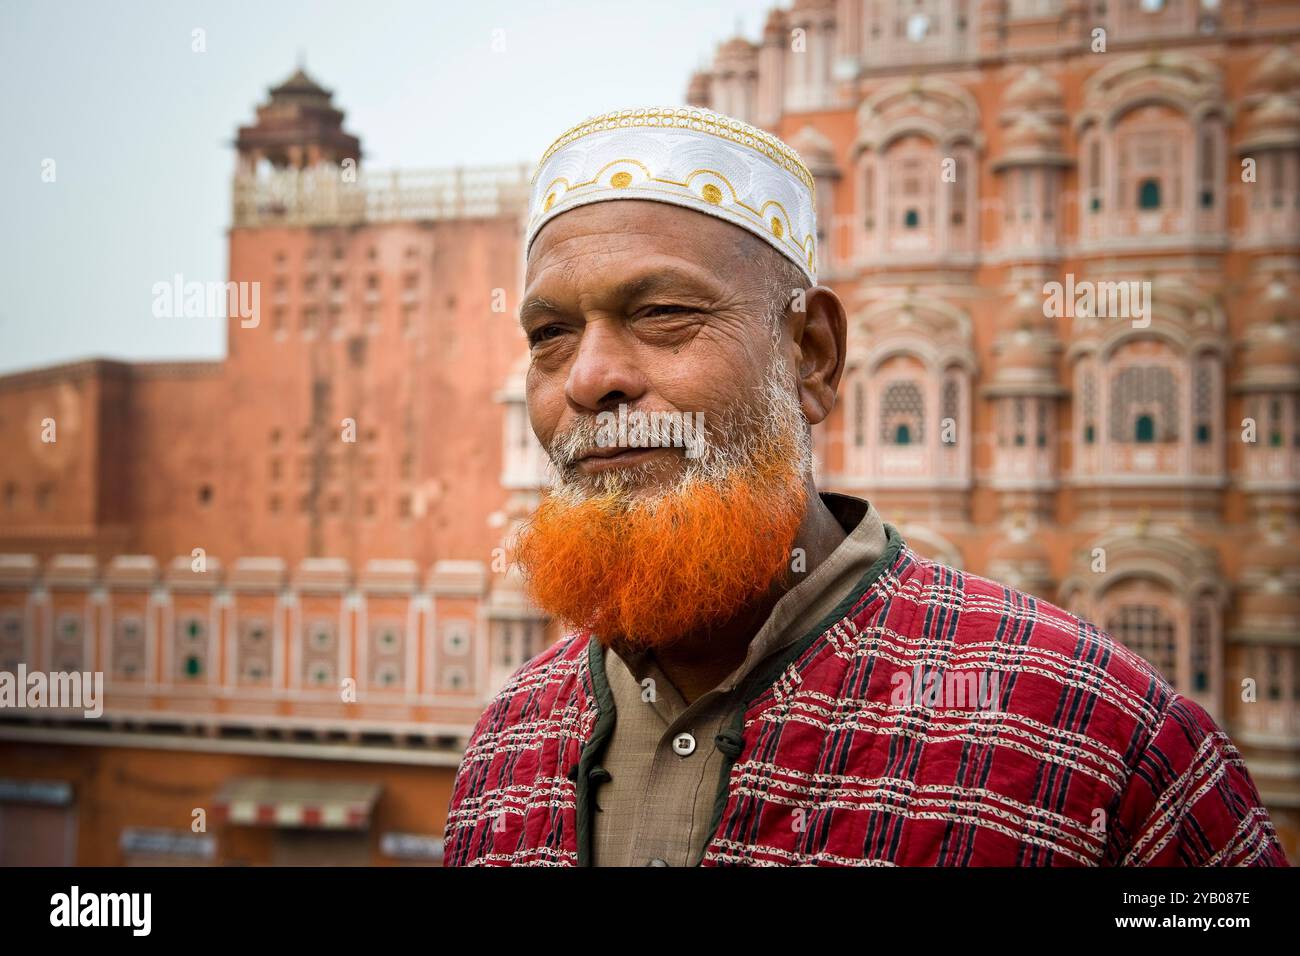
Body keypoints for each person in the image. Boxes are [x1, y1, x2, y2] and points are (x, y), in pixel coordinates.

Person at [443, 106, 1287, 867]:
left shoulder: (1091, 731)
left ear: (812, 356)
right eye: (551, 335)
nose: (591, 377)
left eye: (664, 315)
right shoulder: (506, 740)